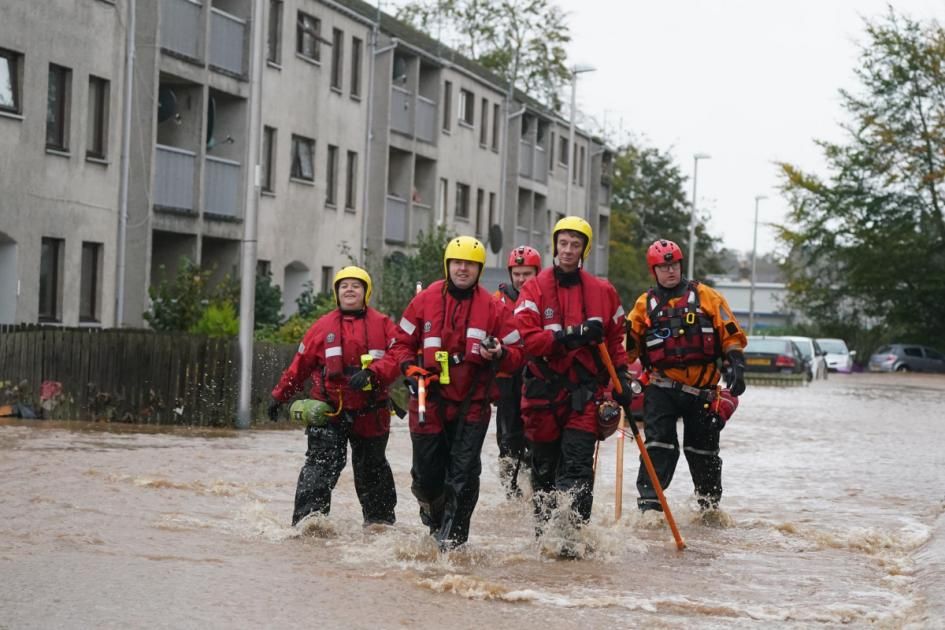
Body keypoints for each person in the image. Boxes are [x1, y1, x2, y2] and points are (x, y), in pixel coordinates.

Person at [386, 236, 524, 549]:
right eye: (458, 263)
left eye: (470, 264)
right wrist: (410, 369)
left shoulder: (493, 307)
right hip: (428, 401)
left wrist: (500, 353)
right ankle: (434, 517)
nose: (463, 269)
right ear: (448, 265)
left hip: (472, 404)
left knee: (463, 477)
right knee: (426, 478)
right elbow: (399, 343)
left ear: (479, 269)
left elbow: (519, 352)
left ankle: (452, 545)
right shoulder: (425, 301)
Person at [513, 217, 632, 536]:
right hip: (542, 394)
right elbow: (529, 339)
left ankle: (573, 538)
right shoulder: (533, 288)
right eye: (563, 243)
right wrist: (572, 335)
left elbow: (615, 341)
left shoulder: (603, 291)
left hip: (584, 395)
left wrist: (622, 378)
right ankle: (545, 538)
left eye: (575, 245)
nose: (567, 250)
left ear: (584, 250)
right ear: (555, 245)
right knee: (544, 471)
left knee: (578, 469)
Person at [268, 266, 401, 528]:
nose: (349, 290)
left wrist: (373, 373)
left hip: (370, 413)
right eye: (344, 286)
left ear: (366, 292)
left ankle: (380, 527)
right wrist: (279, 396)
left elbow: (399, 357)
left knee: (373, 472)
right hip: (329, 412)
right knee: (319, 469)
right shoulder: (321, 327)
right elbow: (300, 365)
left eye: (356, 285)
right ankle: (308, 526)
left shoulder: (384, 325)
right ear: (336, 292)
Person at [624, 239, 747, 517]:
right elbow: (628, 350)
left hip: (702, 391)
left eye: (674, 265)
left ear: (681, 265)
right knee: (659, 447)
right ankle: (650, 509)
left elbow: (730, 334)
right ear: (654, 271)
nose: (670, 271)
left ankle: (709, 510)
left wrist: (737, 364)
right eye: (663, 267)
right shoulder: (644, 305)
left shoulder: (707, 297)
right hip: (661, 389)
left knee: (703, 453)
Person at [493, 245, 542, 497]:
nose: (521, 279)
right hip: (507, 378)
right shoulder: (496, 301)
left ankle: (536, 484)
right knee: (508, 437)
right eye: (517, 274)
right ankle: (511, 493)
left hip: (537, 375)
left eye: (527, 274)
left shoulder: (545, 297)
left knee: (537, 434)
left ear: (537, 273)